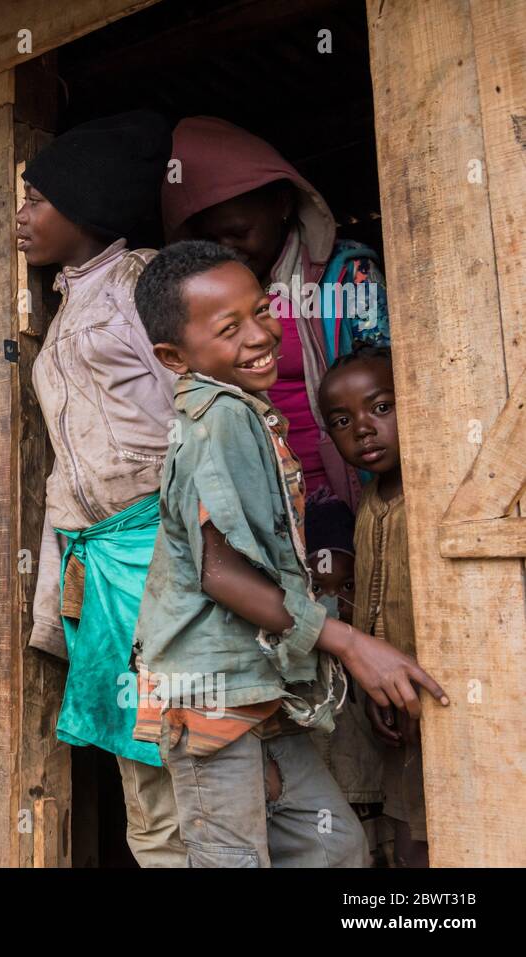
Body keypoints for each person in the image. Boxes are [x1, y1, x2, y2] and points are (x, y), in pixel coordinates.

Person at [130, 240, 446, 867]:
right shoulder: (218, 418)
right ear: (173, 356)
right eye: (229, 328)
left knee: (331, 846)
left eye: (262, 309)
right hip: (212, 691)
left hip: (259, 685)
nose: (260, 334)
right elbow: (220, 574)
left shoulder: (247, 412)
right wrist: (352, 643)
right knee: (233, 858)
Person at [18, 110, 185, 867]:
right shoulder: (67, 303)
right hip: (101, 562)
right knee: (138, 759)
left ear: (86, 205)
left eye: (35, 200)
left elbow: (194, 411)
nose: (20, 216)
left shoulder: (138, 283)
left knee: (179, 748)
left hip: (158, 552)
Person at [161, 116, 391, 512]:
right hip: (266, 496)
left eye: (238, 231)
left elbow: (394, 387)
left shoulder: (347, 277)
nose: (227, 248)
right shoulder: (209, 297)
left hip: (362, 487)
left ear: (282, 205)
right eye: (213, 238)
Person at [319, 345, 426, 867]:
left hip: (445, 703)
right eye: (342, 420)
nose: (363, 428)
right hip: (395, 707)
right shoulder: (371, 504)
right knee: (410, 836)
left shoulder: (433, 496)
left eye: (382, 407)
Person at [305, 497, 389, 866]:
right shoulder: (291, 672)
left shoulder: (377, 666)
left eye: (348, 586)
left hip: (370, 809)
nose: (334, 604)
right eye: (318, 589)